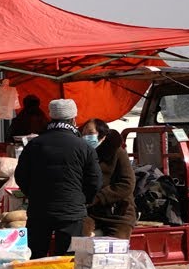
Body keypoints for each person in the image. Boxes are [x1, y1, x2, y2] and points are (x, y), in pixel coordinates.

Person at [15, 99, 102, 258]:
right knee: (68, 261)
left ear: (51, 117)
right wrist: (83, 200)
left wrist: (33, 195)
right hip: (72, 212)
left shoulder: (34, 145)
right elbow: (95, 181)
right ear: (73, 119)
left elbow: (21, 176)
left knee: (36, 257)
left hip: (39, 211)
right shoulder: (84, 147)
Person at [81, 119, 136, 239]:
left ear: (102, 134)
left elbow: (127, 184)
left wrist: (98, 197)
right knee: (82, 246)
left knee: (115, 252)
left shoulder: (117, 152)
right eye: (83, 133)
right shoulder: (83, 154)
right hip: (91, 214)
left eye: (90, 133)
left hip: (118, 215)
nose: (85, 137)